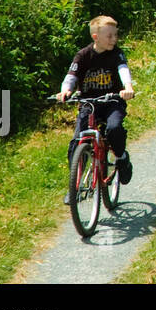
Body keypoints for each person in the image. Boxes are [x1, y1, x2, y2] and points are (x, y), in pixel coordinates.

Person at [57, 15, 134, 203]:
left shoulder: (116, 54)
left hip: (112, 101)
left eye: (115, 35)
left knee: (114, 129)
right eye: (109, 36)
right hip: (89, 103)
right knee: (77, 142)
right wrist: (65, 91)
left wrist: (128, 88)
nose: (114, 39)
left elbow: (123, 70)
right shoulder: (83, 55)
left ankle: (122, 158)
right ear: (95, 37)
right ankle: (74, 186)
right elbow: (71, 76)